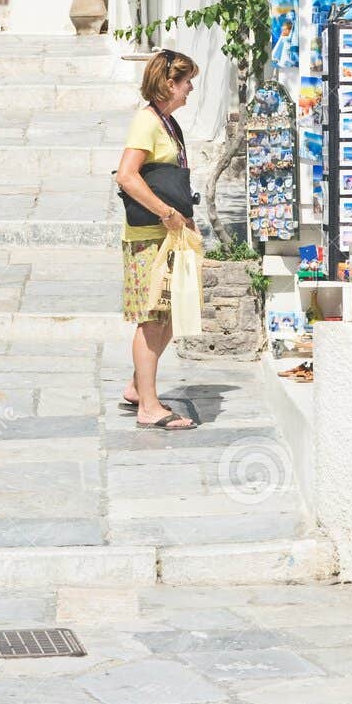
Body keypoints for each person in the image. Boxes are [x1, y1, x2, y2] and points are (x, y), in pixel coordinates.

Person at [115, 47, 200, 430]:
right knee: (151, 319)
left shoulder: (168, 124)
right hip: (149, 235)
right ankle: (149, 406)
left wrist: (185, 219)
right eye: (186, 82)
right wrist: (166, 214)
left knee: (167, 316)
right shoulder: (146, 122)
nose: (190, 89)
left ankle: (138, 385)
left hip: (169, 234)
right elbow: (127, 175)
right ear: (169, 84)